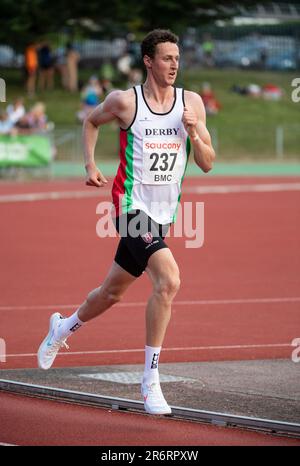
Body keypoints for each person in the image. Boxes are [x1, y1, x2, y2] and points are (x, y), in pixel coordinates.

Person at [37, 29, 215, 415]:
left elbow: (207, 161)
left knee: (111, 293)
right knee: (168, 279)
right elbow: (90, 121)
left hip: (164, 213)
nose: (174, 65)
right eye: (167, 58)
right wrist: (90, 163)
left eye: (177, 58)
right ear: (148, 61)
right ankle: (150, 380)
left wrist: (194, 134)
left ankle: (62, 328)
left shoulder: (192, 104)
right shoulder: (125, 102)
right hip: (129, 206)